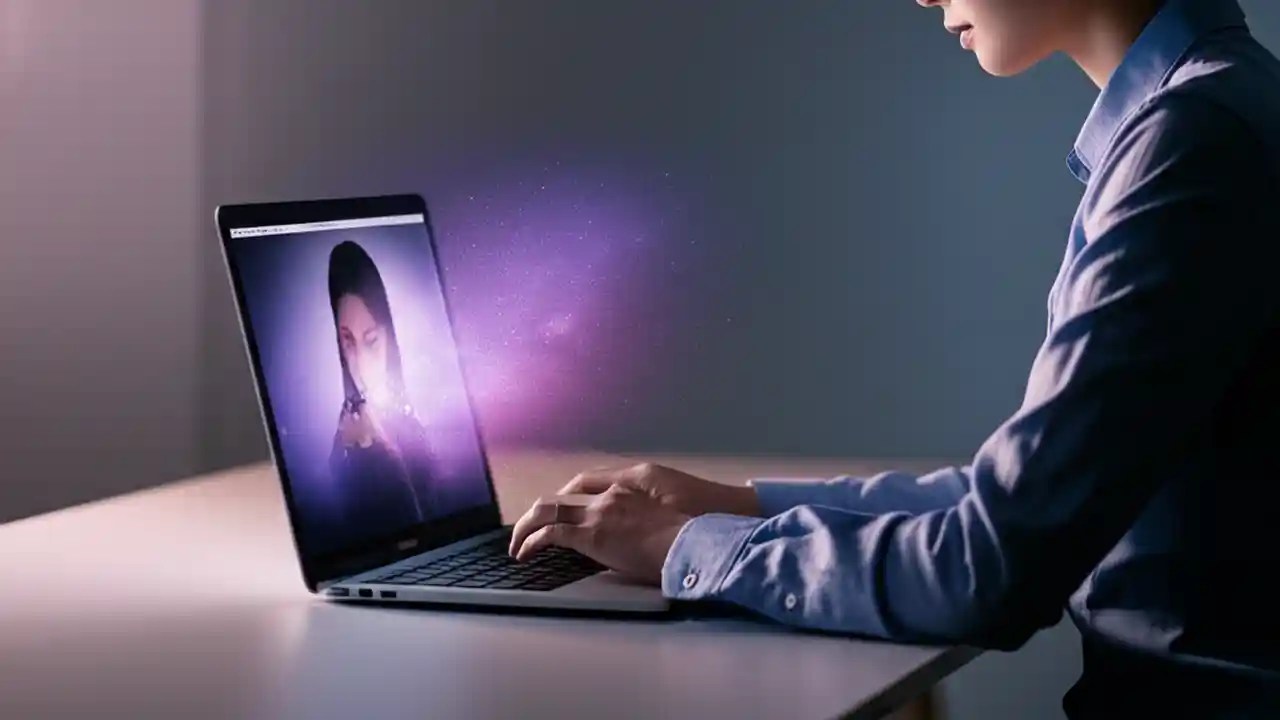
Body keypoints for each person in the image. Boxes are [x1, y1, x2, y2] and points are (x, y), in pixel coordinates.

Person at [508, 0, 1280, 716]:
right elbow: (1011, 506)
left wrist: (684, 547)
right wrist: (734, 505)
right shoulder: (1219, 106)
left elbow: (993, 565)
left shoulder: (1190, 144)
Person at [328, 240, 438, 532]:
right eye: (348, 342)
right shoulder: (344, 444)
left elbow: (426, 524)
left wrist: (383, 455)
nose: (361, 365)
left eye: (372, 341)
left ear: (389, 336)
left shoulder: (416, 426)